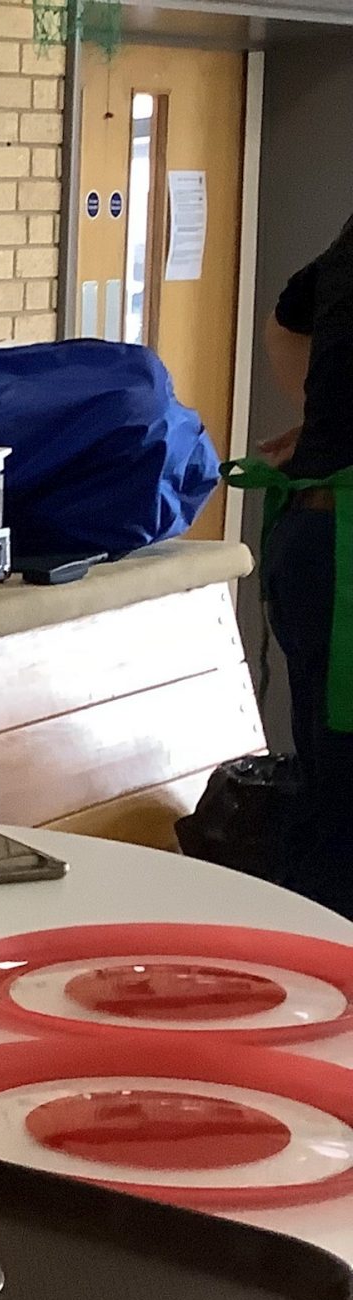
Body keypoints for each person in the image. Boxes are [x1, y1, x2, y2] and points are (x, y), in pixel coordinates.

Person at [253, 209, 353, 916]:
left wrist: (327, 423)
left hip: (318, 530)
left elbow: (288, 317)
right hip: (335, 545)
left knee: (333, 795)